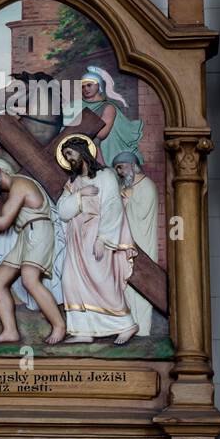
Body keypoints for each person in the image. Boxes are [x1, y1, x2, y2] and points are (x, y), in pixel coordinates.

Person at [0, 158, 66, 345]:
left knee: (30, 279)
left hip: (38, 232)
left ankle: (59, 325)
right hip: (26, 235)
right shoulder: (15, 187)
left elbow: (3, 222)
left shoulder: (20, 183)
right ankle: (10, 331)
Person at [55, 135, 138, 344]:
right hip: (76, 239)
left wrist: (102, 238)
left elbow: (112, 206)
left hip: (97, 235)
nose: (69, 158)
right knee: (70, 281)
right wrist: (80, 194)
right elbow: (63, 211)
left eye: (70, 153)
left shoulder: (105, 176)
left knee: (104, 282)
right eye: (65, 155)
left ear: (82, 152)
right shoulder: (73, 183)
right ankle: (83, 330)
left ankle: (126, 324)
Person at [113, 151, 157, 336]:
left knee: (142, 289)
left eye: (121, 168)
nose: (120, 173)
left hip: (142, 242)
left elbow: (140, 214)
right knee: (127, 288)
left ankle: (143, 330)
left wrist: (127, 201)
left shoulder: (146, 185)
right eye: (117, 170)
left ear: (132, 165)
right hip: (128, 245)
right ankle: (129, 326)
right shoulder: (128, 186)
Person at [71, 64, 143, 165]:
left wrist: (78, 126)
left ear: (98, 86)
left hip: (99, 151)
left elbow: (101, 133)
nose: (85, 89)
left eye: (89, 85)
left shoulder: (108, 107)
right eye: (83, 87)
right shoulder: (77, 105)